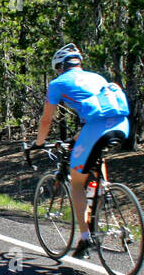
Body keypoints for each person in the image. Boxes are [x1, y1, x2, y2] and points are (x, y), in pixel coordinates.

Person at [31, 43, 130, 258]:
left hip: (96, 129)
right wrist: (75, 139)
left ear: (59, 67)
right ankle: (103, 190)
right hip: (122, 126)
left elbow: (46, 119)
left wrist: (39, 143)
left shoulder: (57, 83)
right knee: (97, 158)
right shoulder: (98, 78)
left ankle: (85, 238)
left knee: (76, 182)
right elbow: (99, 113)